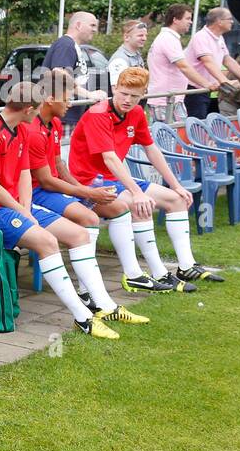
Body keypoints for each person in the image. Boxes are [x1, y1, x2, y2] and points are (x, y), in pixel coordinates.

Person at [0, 83, 124, 339]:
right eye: (36, 111)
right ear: (28, 109)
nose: (37, 116)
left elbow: (25, 173)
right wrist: (22, 212)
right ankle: (83, 317)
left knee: (79, 234)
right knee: (47, 242)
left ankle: (101, 304)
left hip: (13, 205)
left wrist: (26, 208)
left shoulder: (21, 129)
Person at [68, 66, 225, 291]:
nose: (128, 100)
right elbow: (110, 158)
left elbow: (152, 150)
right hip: (91, 181)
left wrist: (177, 185)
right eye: (123, 93)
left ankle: (186, 266)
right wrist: (137, 192)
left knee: (176, 199)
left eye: (135, 96)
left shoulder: (137, 113)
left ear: (143, 95)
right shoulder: (98, 113)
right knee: (139, 205)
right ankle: (159, 274)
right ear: (114, 88)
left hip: (117, 178)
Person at [26, 70, 149, 322]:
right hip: (34, 194)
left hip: (49, 189)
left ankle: (94, 293)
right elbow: (46, 180)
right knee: (88, 219)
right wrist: (86, 192)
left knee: (101, 212)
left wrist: (83, 192)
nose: (71, 103)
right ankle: (92, 297)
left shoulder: (56, 124)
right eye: (67, 97)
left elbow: (59, 165)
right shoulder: (33, 129)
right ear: (50, 98)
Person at [147, 4, 218, 122]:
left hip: (170, 99)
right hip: (166, 100)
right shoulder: (168, 39)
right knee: (173, 137)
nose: (190, 22)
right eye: (188, 18)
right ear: (175, 19)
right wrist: (206, 84)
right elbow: (184, 66)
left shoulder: (169, 38)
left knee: (177, 136)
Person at [184, 7, 240, 117]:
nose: (232, 22)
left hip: (207, 89)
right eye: (229, 19)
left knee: (207, 126)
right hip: (194, 90)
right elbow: (207, 62)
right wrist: (225, 81)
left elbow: (228, 60)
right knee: (197, 128)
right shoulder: (201, 37)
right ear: (219, 21)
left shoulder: (218, 38)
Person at [41, 12, 107, 102]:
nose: (95, 30)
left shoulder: (71, 46)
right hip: (65, 113)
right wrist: (89, 94)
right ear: (78, 25)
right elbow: (59, 76)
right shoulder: (66, 45)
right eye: (92, 25)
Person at [106, 20, 149, 88]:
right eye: (140, 35)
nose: (144, 38)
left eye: (145, 35)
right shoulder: (119, 59)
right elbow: (117, 89)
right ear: (126, 37)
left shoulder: (136, 55)